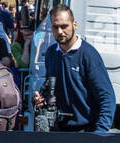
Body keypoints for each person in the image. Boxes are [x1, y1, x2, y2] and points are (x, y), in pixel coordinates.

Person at [32, 7, 114, 135]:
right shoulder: (51, 53)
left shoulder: (88, 55)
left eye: (64, 26)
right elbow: (51, 87)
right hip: (57, 129)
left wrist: (100, 132)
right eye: (55, 27)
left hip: (85, 131)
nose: (60, 31)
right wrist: (41, 99)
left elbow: (107, 97)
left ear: (74, 25)